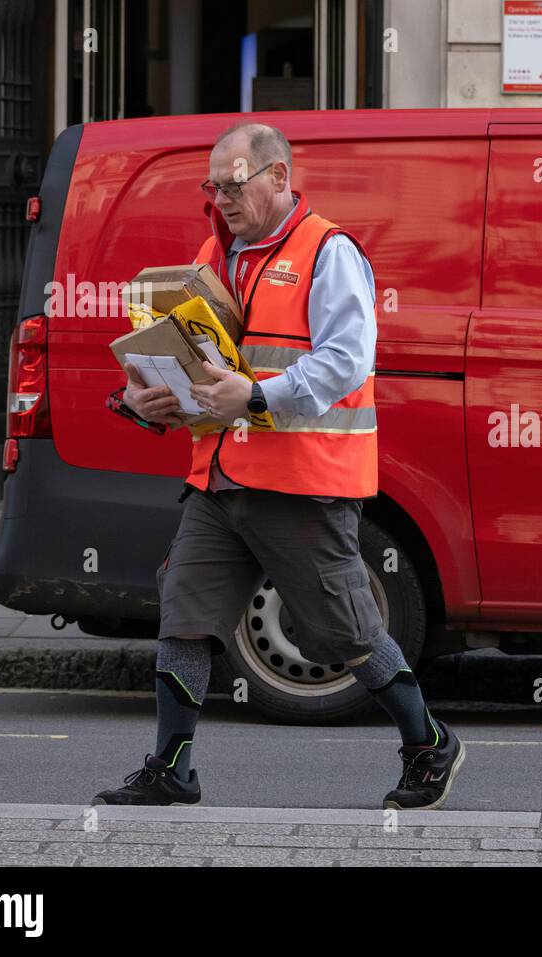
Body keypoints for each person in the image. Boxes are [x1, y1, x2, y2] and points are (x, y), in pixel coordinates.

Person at [92, 122, 465, 811]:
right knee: (184, 614)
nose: (223, 198)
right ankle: (172, 766)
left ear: (278, 177)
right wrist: (155, 401)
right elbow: (206, 365)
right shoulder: (214, 252)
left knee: (346, 630)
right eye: (214, 185)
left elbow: (347, 359)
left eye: (235, 183)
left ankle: (429, 741)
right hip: (222, 474)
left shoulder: (329, 251)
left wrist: (258, 395)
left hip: (303, 480)